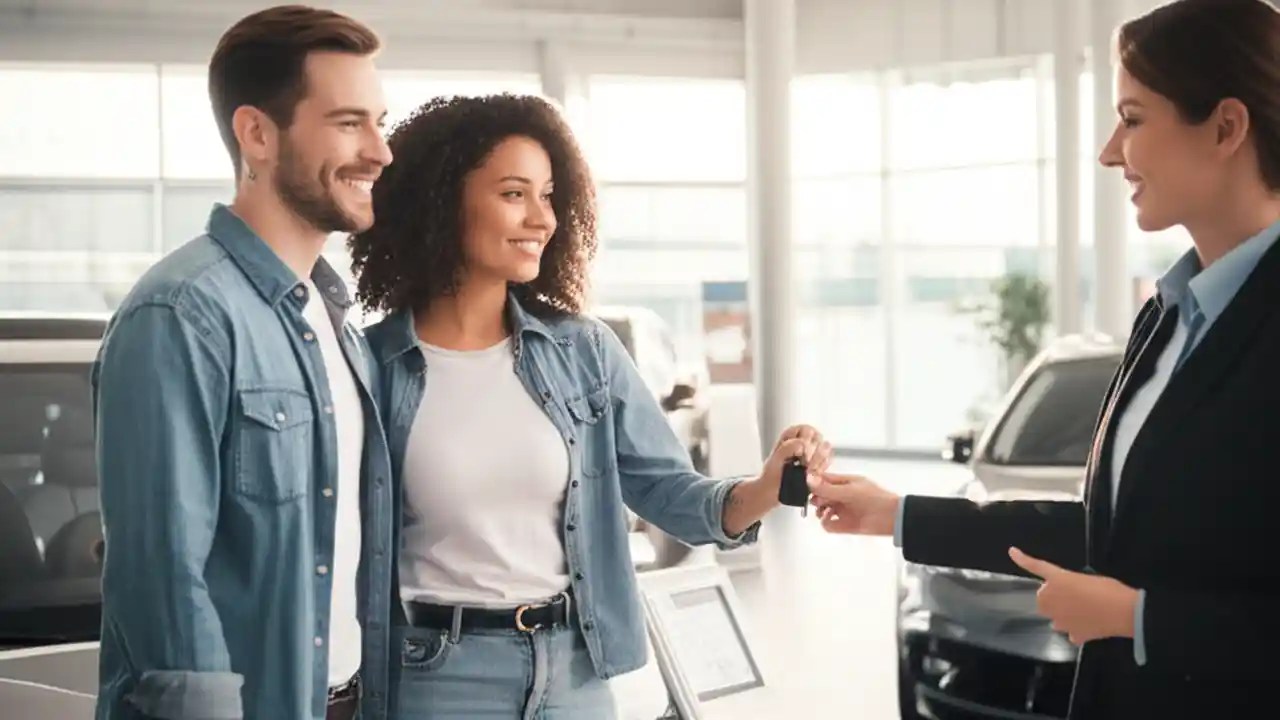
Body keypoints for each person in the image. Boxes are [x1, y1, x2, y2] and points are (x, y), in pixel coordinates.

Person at [807, 0, 1280, 717]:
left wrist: (1138, 619)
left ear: (1225, 126)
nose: (1109, 150)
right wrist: (896, 515)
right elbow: (1103, 532)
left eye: (1133, 117)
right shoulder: (1168, 317)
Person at [346, 93, 830, 719]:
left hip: (575, 674)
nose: (542, 219)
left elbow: (671, 496)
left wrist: (768, 486)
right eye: (514, 193)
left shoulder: (585, 352)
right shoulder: (369, 367)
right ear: (441, 201)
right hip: (439, 679)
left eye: (548, 196)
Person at [93, 6, 397, 719]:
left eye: (380, 121)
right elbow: (161, 576)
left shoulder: (335, 318)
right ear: (258, 133)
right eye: (350, 122)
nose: (381, 151)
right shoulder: (180, 314)